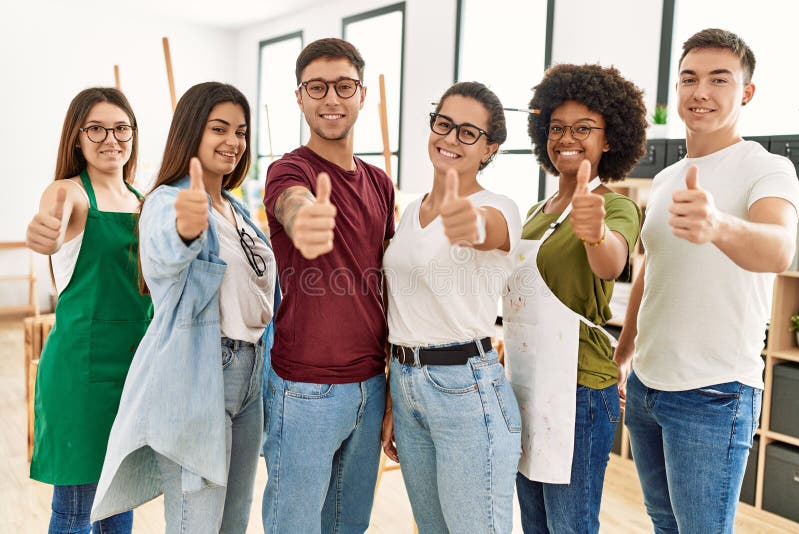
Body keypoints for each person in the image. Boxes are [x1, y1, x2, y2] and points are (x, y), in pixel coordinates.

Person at [614, 28, 799, 533]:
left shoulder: (769, 169)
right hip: (649, 386)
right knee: (662, 522)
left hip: (713, 393)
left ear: (746, 92)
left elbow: (780, 248)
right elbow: (652, 268)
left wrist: (717, 225)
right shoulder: (669, 177)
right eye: (689, 78)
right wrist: (625, 350)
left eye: (720, 79)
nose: (701, 92)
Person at [90, 82, 280, 533]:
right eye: (219, 128)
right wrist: (185, 231)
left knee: (233, 521)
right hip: (201, 376)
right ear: (192, 131)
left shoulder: (236, 209)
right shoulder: (166, 202)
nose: (233, 141)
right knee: (197, 522)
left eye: (241, 131)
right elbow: (161, 254)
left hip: (252, 375)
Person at [503, 64, 647, 534]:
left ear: (609, 140)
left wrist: (595, 231)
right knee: (535, 522)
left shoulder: (615, 205)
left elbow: (611, 262)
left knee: (570, 525)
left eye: (584, 128)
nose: (568, 137)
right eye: (557, 127)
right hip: (525, 383)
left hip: (580, 389)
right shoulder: (534, 212)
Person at [261, 38, 395, 533]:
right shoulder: (290, 170)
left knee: (348, 525)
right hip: (305, 389)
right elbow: (292, 203)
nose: (331, 99)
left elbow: (387, 285)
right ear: (300, 97)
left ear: (363, 95)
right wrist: (305, 219)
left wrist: (392, 386)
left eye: (343, 86)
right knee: (292, 525)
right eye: (317, 87)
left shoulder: (380, 183)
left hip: (371, 383)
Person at [379, 81, 522, 532]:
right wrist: (391, 397)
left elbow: (487, 229)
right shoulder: (409, 211)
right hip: (406, 384)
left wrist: (467, 220)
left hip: (466, 390)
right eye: (444, 124)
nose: (450, 138)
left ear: (490, 148)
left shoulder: (497, 207)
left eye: (467, 132)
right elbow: (399, 312)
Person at [26, 87, 152, 534]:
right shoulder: (68, 194)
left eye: (121, 128)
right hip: (80, 372)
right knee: (77, 507)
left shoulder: (145, 200)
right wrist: (47, 232)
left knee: (121, 497)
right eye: (96, 128)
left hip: (135, 368)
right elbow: (53, 224)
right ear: (77, 137)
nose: (110, 138)